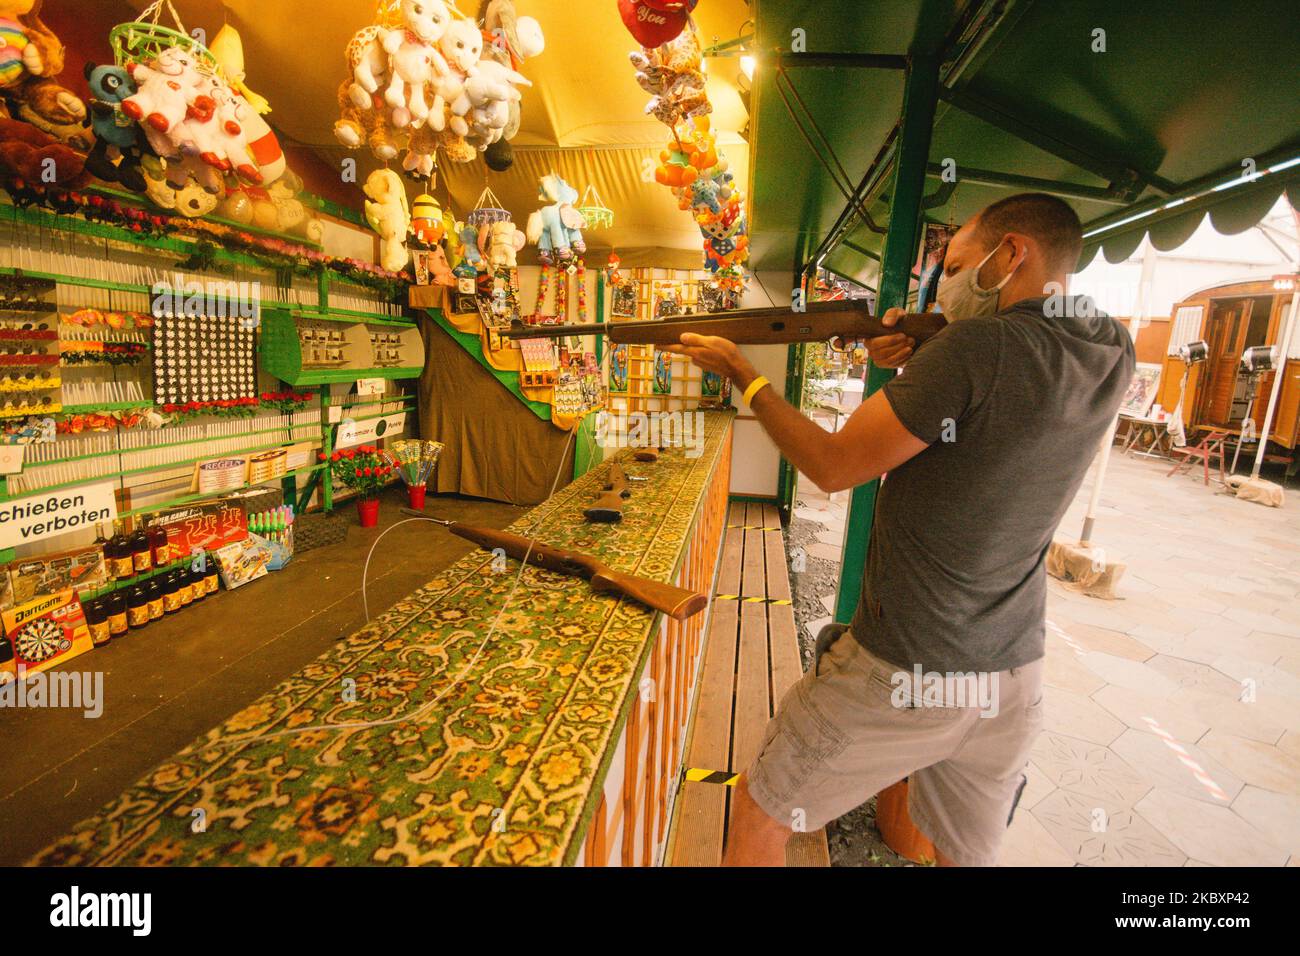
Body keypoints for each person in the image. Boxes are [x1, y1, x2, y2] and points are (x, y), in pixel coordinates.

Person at [663, 193, 1136, 867]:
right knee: (963, 856)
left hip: (909, 660)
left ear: (1013, 254)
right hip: (1012, 670)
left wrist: (745, 377)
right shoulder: (1112, 346)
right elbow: (1012, 386)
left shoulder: (978, 346)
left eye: (960, 264)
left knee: (764, 813)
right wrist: (923, 349)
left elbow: (832, 466)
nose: (947, 284)